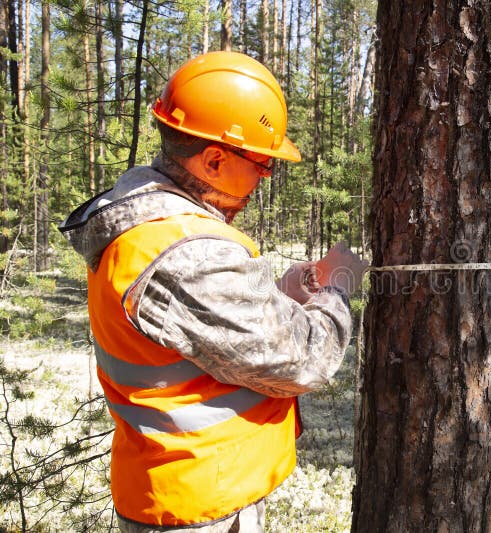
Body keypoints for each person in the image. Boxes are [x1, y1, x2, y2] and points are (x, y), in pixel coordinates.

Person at [59, 51, 367, 532]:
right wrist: (338, 285)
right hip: (196, 506)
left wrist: (277, 292)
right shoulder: (187, 255)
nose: (265, 176)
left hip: (189, 489)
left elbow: (197, 335)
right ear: (215, 160)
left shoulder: (152, 226)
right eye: (262, 162)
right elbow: (305, 359)